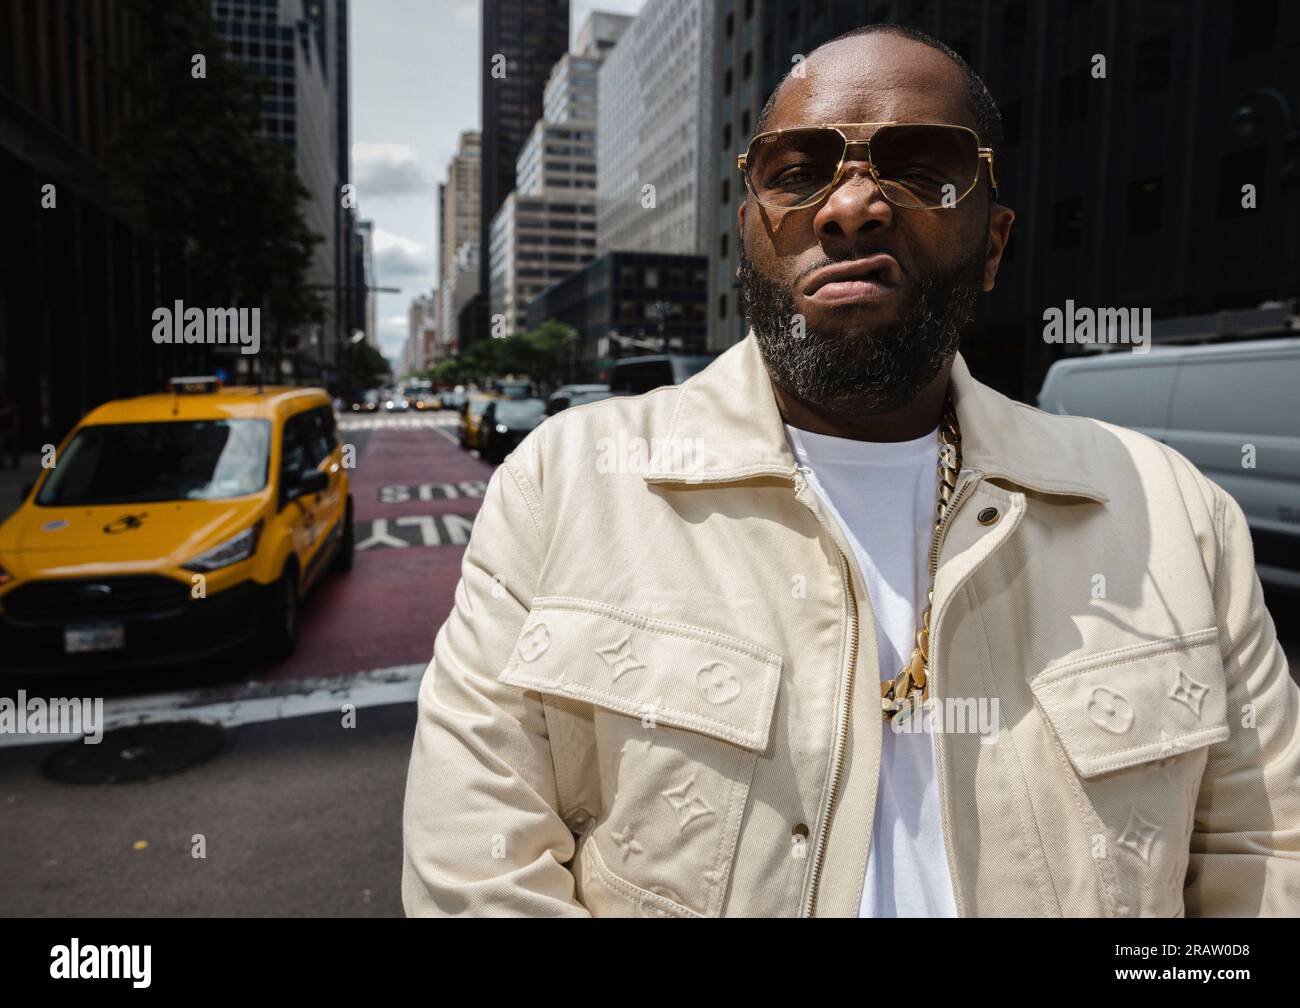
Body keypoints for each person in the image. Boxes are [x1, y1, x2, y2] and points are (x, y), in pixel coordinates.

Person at [401, 25, 1300, 917]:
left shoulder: (1174, 515)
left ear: (993, 245)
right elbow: (475, 874)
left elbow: (1265, 861)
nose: (851, 207)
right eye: (797, 174)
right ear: (750, 228)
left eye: (922, 168)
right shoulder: (564, 484)